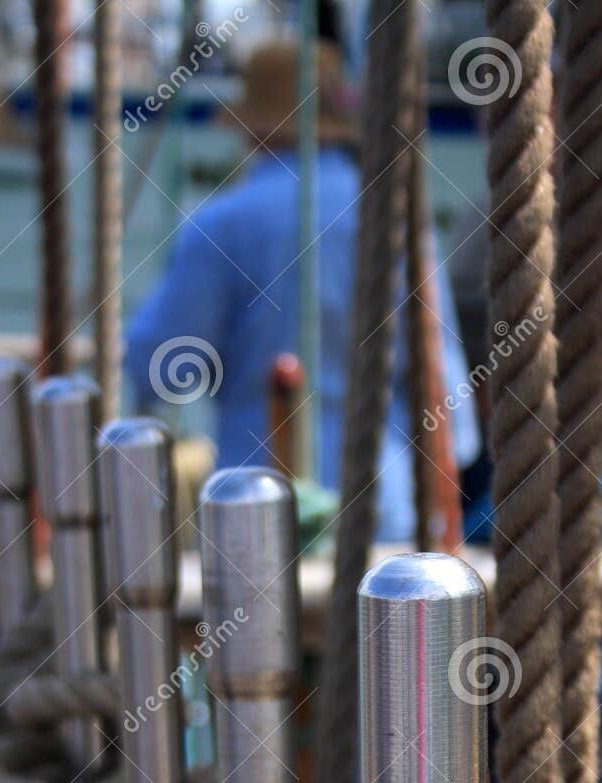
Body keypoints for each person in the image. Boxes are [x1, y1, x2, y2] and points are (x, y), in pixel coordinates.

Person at [124, 35, 479, 540]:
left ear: (251, 131)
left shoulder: (223, 225)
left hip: (256, 513)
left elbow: (154, 365)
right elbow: (449, 404)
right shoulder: (399, 223)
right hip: (390, 512)